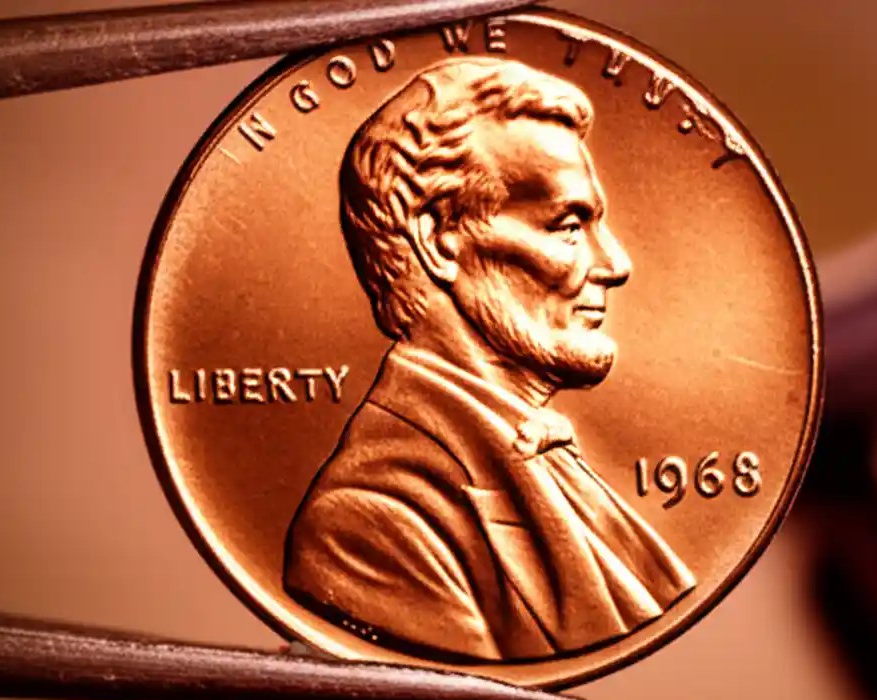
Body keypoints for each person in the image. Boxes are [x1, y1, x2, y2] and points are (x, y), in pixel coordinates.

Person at [283, 57, 695, 662]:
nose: (616, 263)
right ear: (436, 239)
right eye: (569, 226)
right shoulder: (365, 522)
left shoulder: (541, 451)